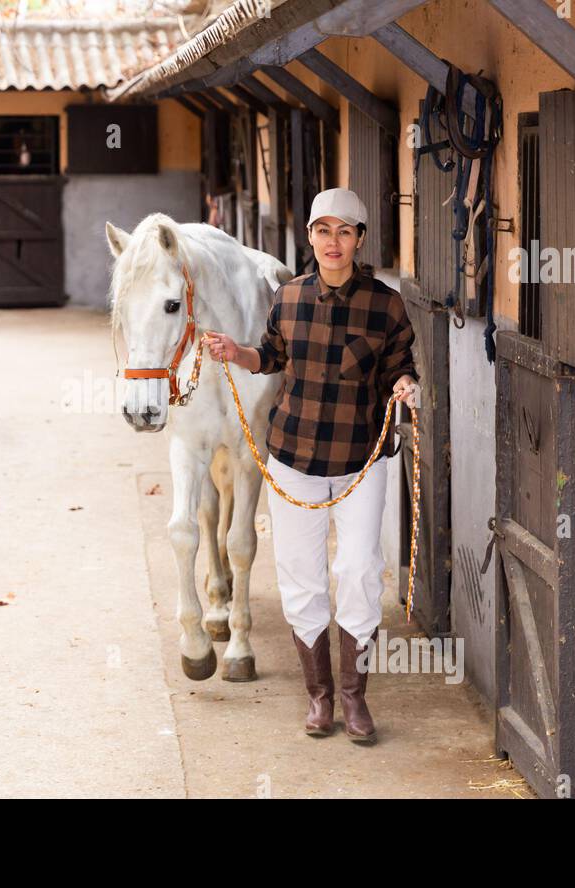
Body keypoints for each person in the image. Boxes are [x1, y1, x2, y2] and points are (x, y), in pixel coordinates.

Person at [204, 187, 420, 743]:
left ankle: (354, 698)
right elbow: (270, 357)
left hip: (359, 460)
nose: (333, 241)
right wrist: (236, 352)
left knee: (358, 569)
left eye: (344, 231)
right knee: (300, 575)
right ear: (310, 238)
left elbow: (403, 366)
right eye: (323, 230)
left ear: (360, 240)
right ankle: (320, 697)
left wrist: (405, 384)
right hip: (294, 456)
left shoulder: (386, 304)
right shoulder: (290, 297)